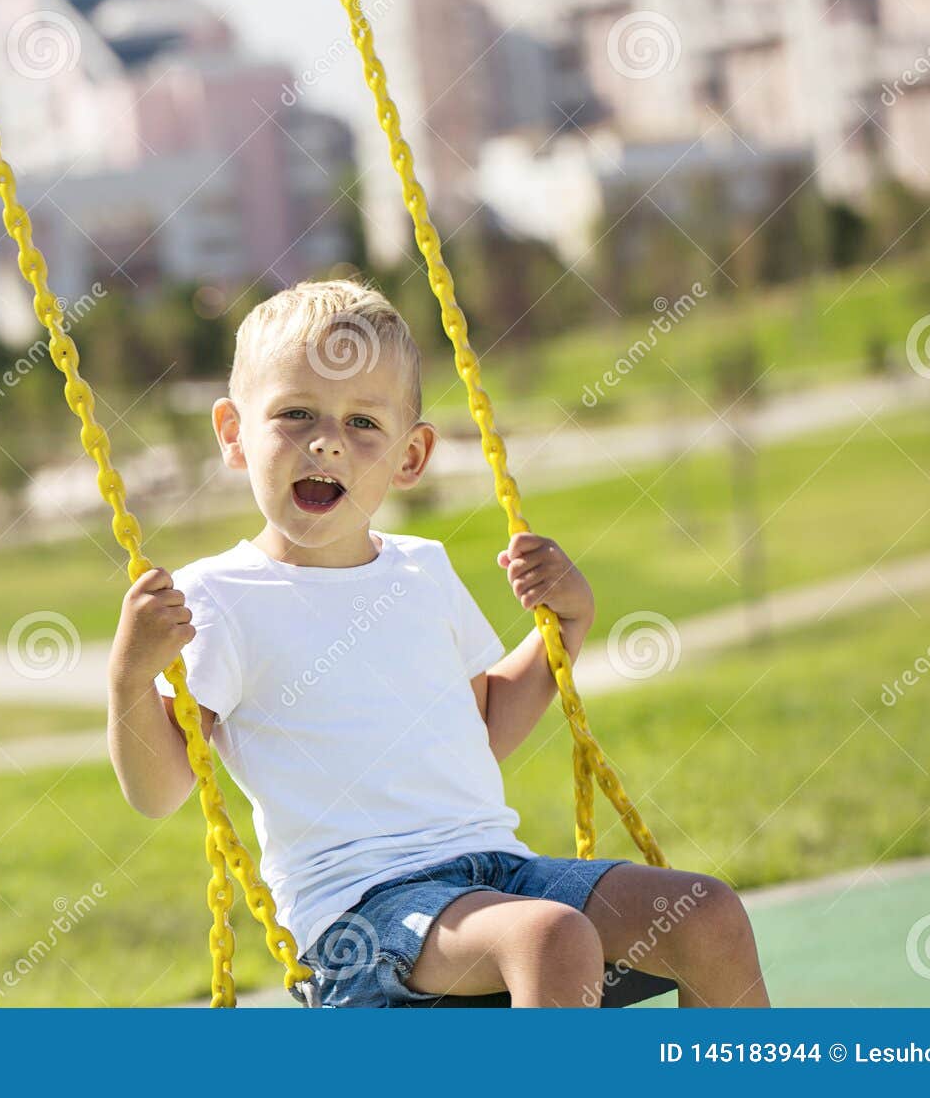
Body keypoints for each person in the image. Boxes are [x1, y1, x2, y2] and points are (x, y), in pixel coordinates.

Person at [105, 279, 770, 1008]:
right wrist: (131, 679)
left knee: (708, 912)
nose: (327, 439)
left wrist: (569, 627)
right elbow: (160, 789)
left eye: (363, 422)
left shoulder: (422, 569)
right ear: (233, 433)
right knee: (551, 939)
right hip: (360, 919)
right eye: (296, 413)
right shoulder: (218, 599)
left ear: (410, 456)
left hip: (495, 879)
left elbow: (482, 728)